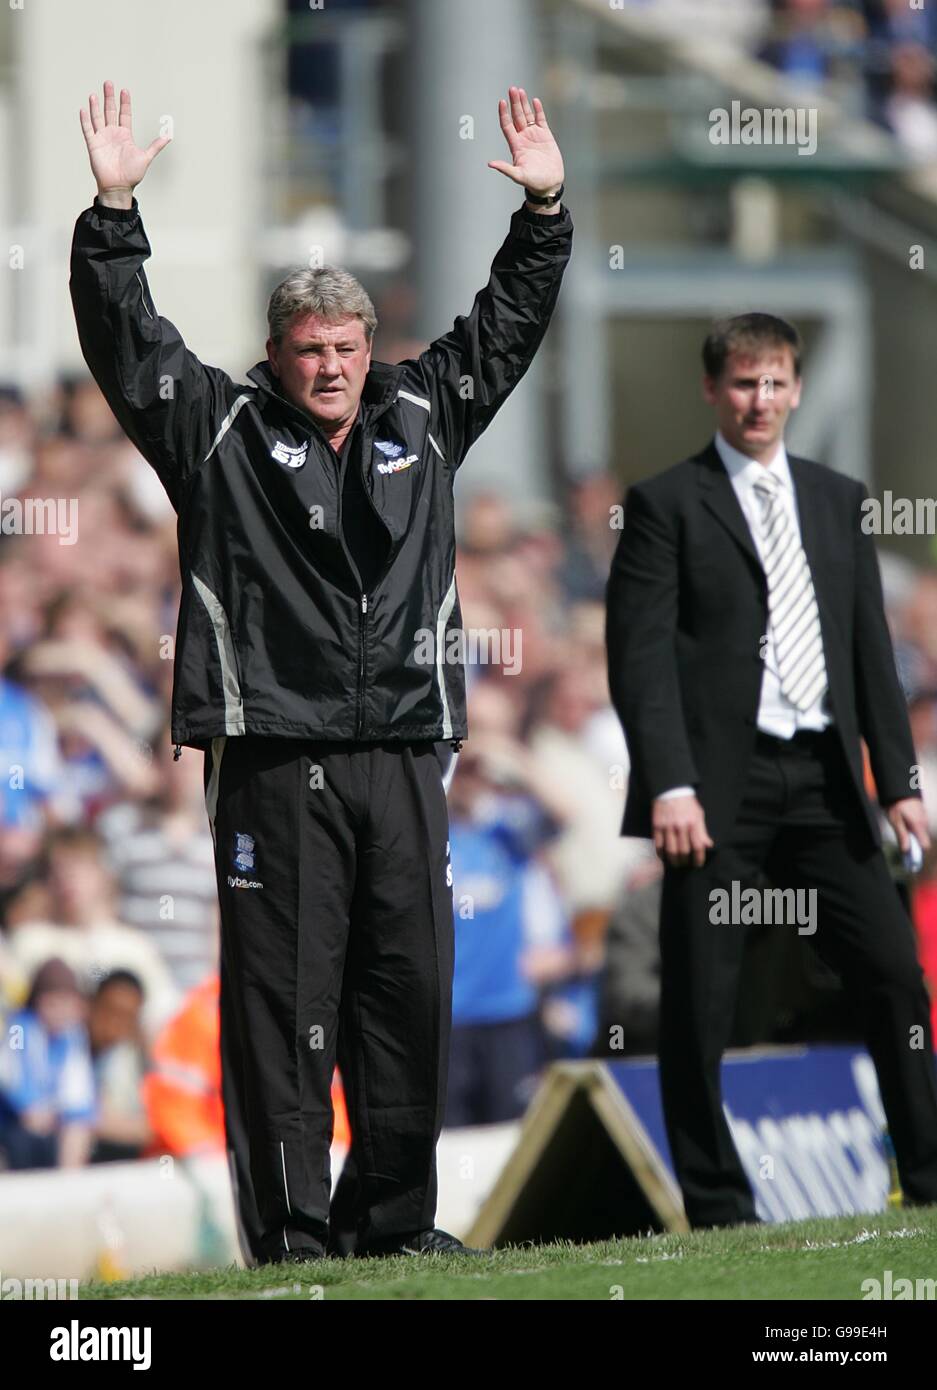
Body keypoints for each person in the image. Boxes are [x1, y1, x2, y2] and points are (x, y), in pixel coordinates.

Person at [70, 80, 572, 1264]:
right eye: (311, 351)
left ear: (368, 345)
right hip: (275, 751)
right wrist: (111, 211)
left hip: (404, 746)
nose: (334, 367)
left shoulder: (424, 408)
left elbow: (504, 324)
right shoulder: (218, 428)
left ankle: (391, 1224)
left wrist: (546, 209)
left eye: (347, 346)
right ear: (277, 354)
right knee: (282, 1011)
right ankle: (293, 1236)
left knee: (405, 996)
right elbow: (126, 340)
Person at [605, 311, 937, 1229]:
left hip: (828, 785)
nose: (760, 400)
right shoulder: (666, 502)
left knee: (894, 976)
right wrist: (668, 782)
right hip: (716, 792)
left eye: (776, 382)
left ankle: (928, 1176)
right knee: (701, 996)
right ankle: (716, 1206)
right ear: (713, 390)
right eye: (742, 383)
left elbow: (871, 651)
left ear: (794, 388)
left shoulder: (836, 498)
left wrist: (900, 783)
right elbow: (638, 660)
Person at [0, 957, 96, 1171]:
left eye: (66, 1002)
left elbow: (78, 1090)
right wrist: (30, 1106)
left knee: (77, 1129)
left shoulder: (73, 1035)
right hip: (14, 1120)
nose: (59, 1010)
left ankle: (68, 1185)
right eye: (53, 1002)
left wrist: (65, 1114)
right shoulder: (19, 1027)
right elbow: (8, 1074)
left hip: (52, 1118)